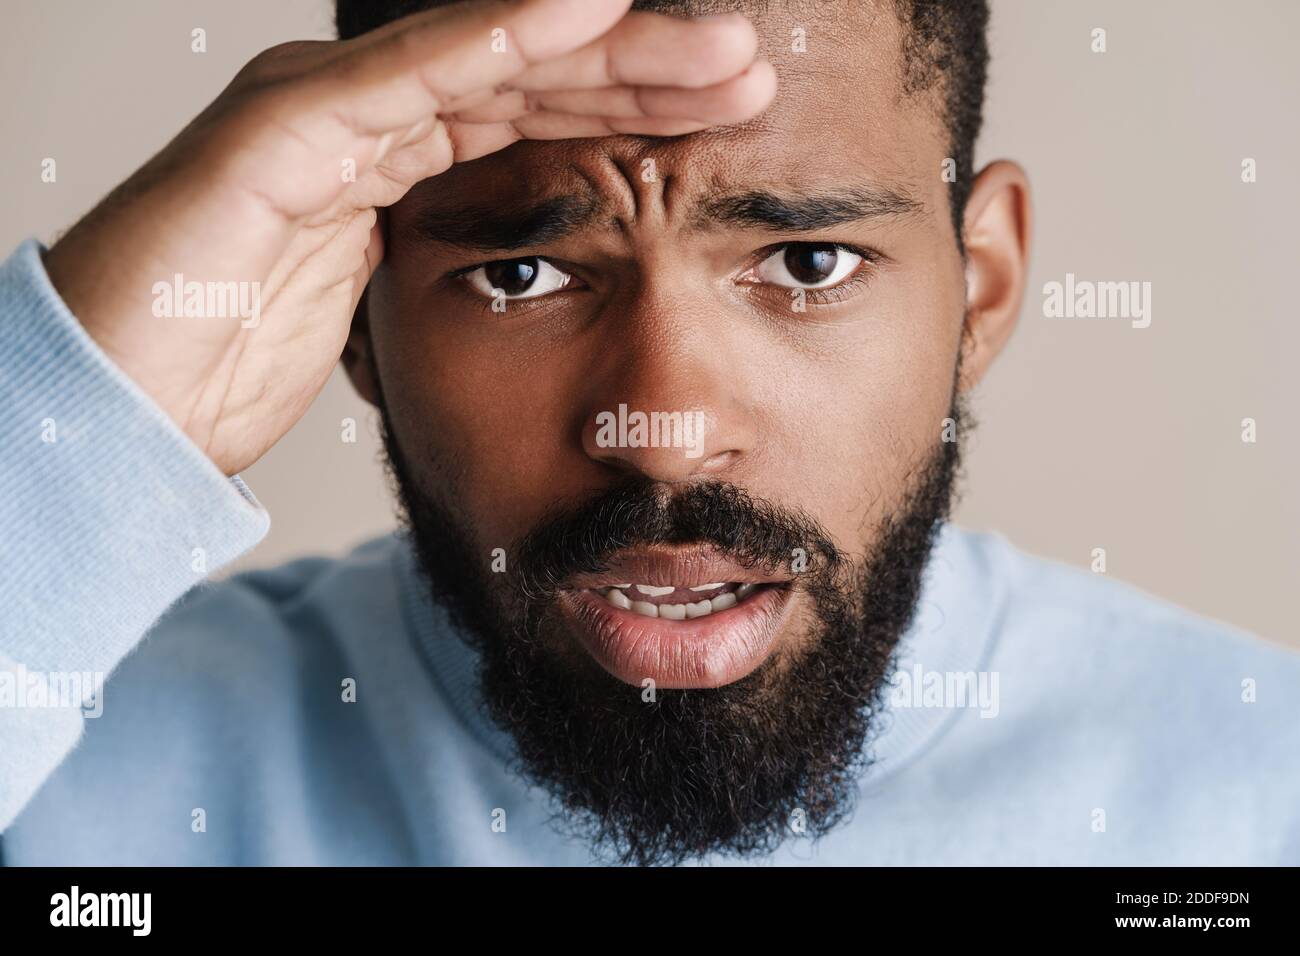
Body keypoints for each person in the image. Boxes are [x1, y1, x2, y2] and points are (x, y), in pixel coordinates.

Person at [1, 0, 1295, 867]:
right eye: (520, 277)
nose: (664, 435)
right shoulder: (73, 748)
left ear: (984, 290)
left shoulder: (1256, 794)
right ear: (353, 308)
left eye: (806, 258)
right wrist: (75, 423)